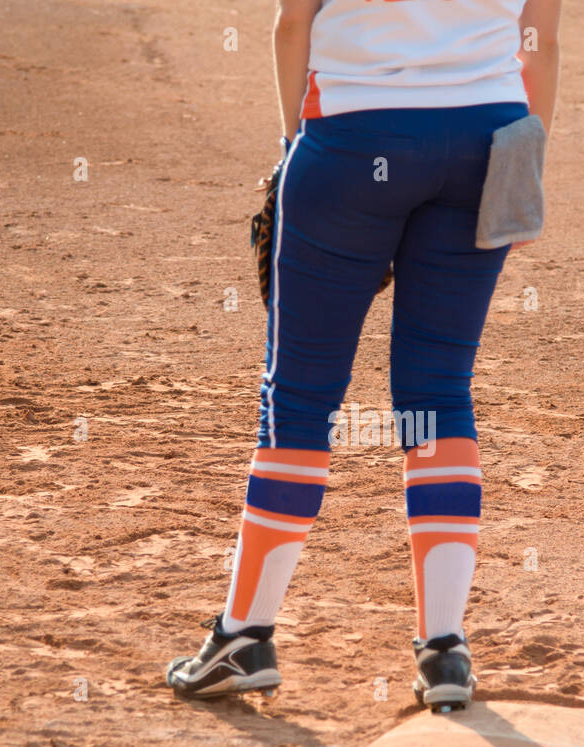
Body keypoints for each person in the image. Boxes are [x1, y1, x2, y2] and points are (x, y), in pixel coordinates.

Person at [168, 0, 562, 711]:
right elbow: (541, 44)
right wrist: (524, 171)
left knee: (298, 399)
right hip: (488, 139)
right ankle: (444, 650)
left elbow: (293, 23)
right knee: (439, 390)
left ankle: (246, 633)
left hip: (352, 139)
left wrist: (294, 146)